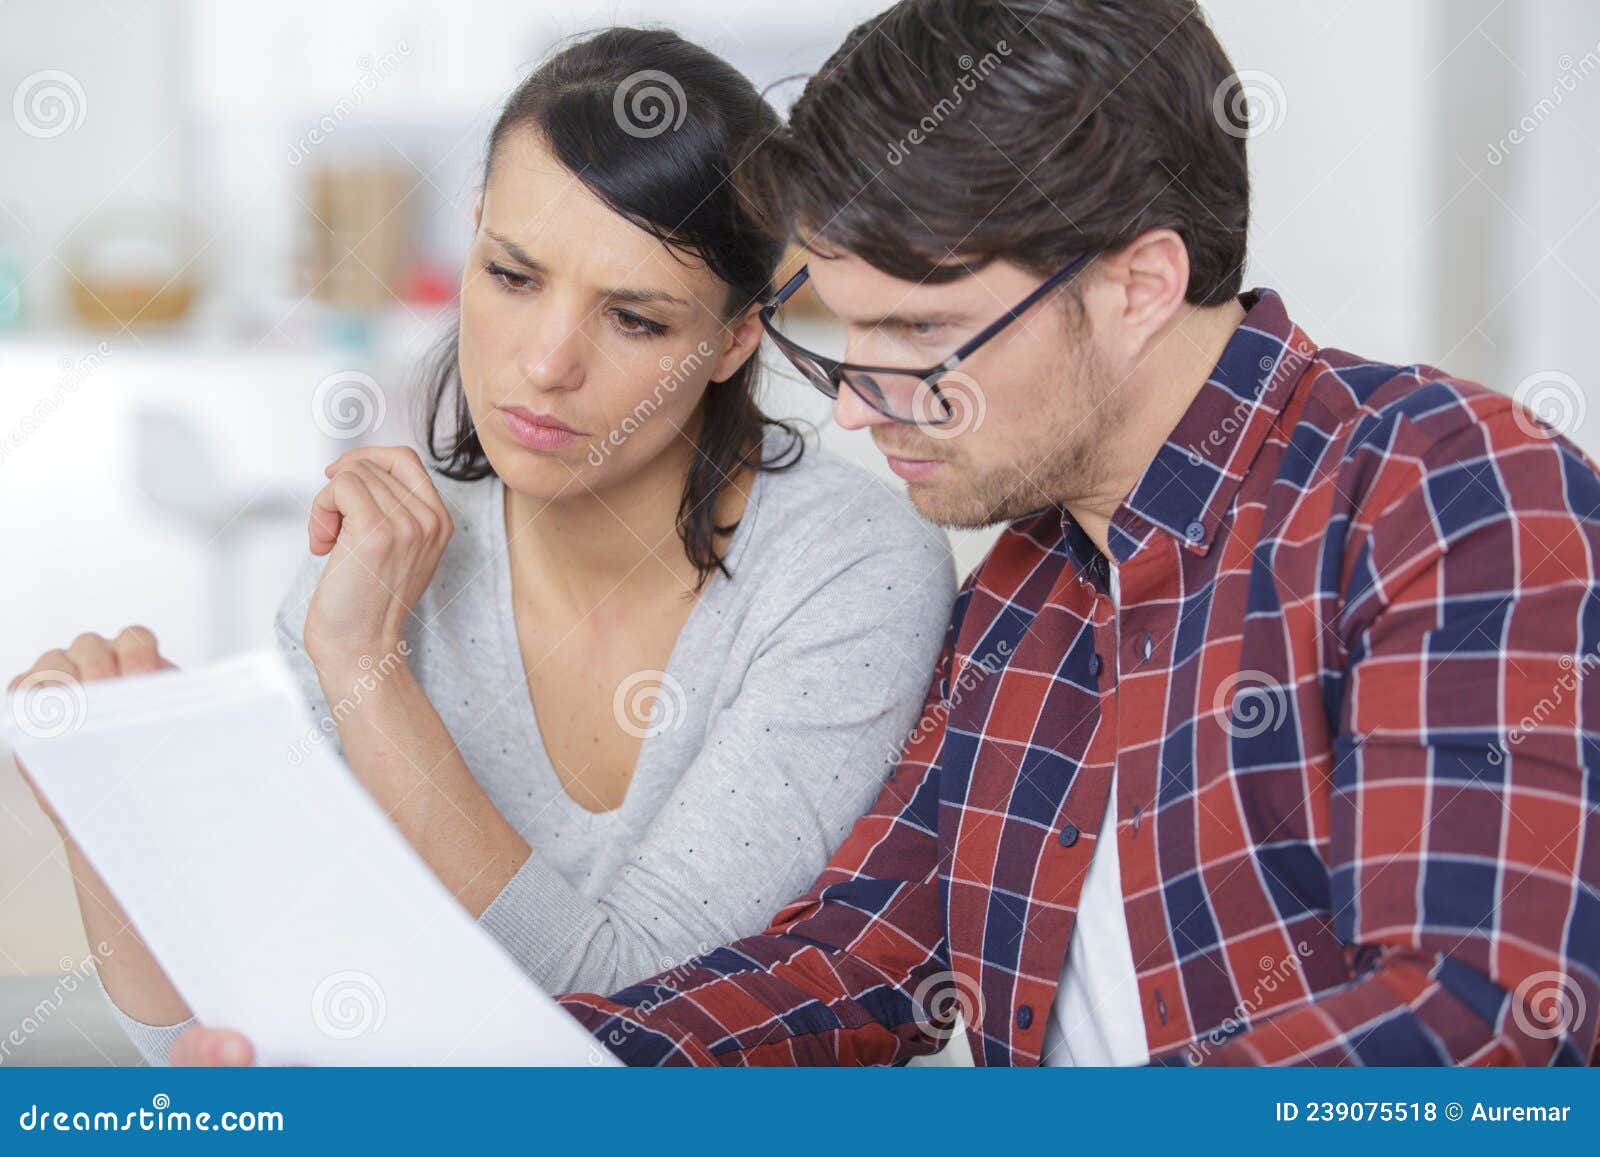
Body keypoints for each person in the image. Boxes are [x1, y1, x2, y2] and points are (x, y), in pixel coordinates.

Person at [161, 0, 1600, 1067]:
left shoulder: (1448, 495)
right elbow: (850, 958)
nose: (864, 410)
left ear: (1143, 282)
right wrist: (495, 1088)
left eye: (921, 337)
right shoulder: (1039, 584)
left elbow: (1474, 1024)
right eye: (849, 340)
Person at [7, 27, 954, 1067]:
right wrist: (109, 815)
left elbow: (628, 1014)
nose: (546, 363)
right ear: (470, 242)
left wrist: (370, 674)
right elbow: (204, 1034)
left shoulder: (847, 571)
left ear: (735, 338)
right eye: (511, 274)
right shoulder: (381, 553)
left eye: (633, 319)